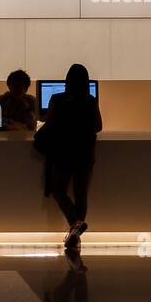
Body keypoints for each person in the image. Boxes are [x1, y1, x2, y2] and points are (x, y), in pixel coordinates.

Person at [36, 63, 102, 249]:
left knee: (59, 191)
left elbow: (49, 125)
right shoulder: (90, 100)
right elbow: (98, 126)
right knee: (81, 194)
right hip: (85, 153)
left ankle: (75, 224)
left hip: (62, 152)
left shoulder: (57, 99)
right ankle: (76, 233)